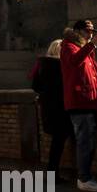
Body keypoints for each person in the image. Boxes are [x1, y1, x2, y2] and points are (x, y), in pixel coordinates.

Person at [58, 20, 97, 192]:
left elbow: (91, 73)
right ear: (78, 31)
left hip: (89, 100)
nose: (90, 34)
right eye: (87, 31)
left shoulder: (84, 48)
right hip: (79, 101)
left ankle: (86, 177)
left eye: (92, 32)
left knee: (88, 141)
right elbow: (74, 63)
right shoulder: (69, 46)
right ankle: (84, 179)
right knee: (85, 142)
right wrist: (92, 45)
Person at [29, 40, 71, 181]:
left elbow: (35, 86)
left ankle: (53, 173)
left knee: (56, 142)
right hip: (61, 108)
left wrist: (46, 94)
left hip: (48, 108)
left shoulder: (42, 65)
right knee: (58, 142)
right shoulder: (61, 65)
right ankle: (53, 175)